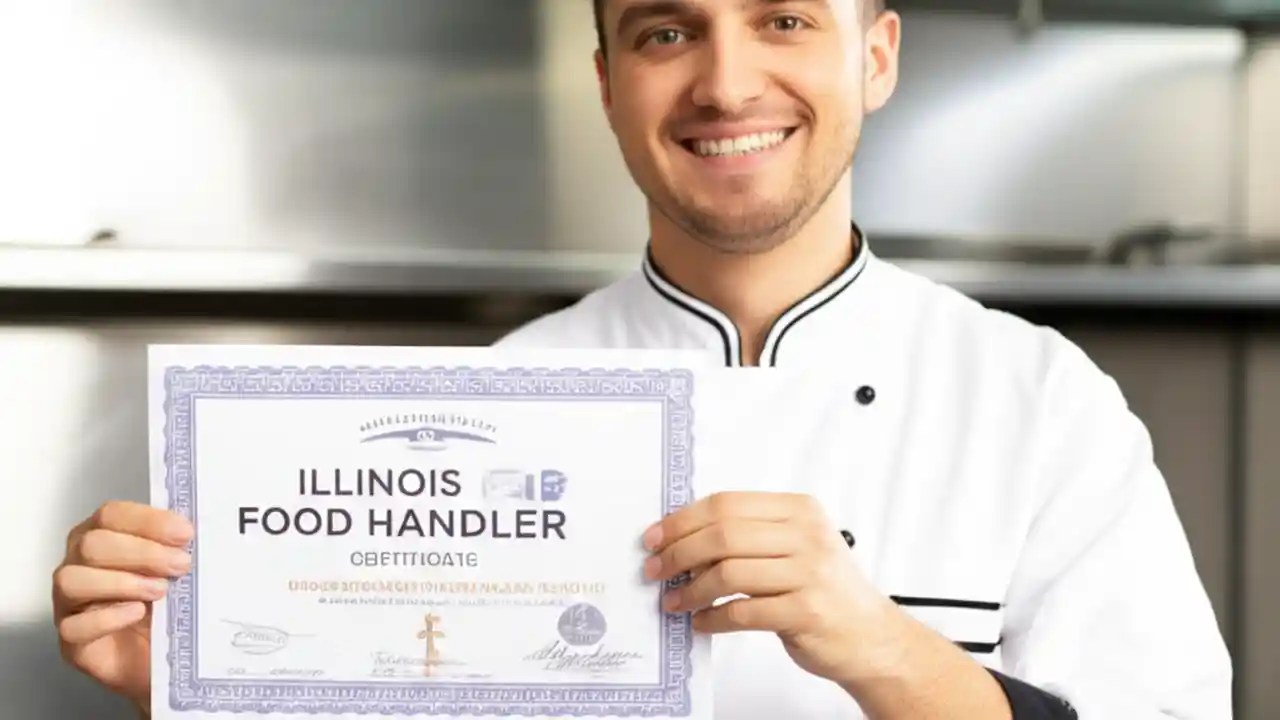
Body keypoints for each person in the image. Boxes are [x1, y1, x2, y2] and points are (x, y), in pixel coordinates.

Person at [52, 0, 1232, 717]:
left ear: (872, 58)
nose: (724, 83)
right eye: (667, 32)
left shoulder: (1039, 404)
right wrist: (203, 689)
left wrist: (876, 646)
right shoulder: (500, 398)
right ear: (610, 83)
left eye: (782, 19)